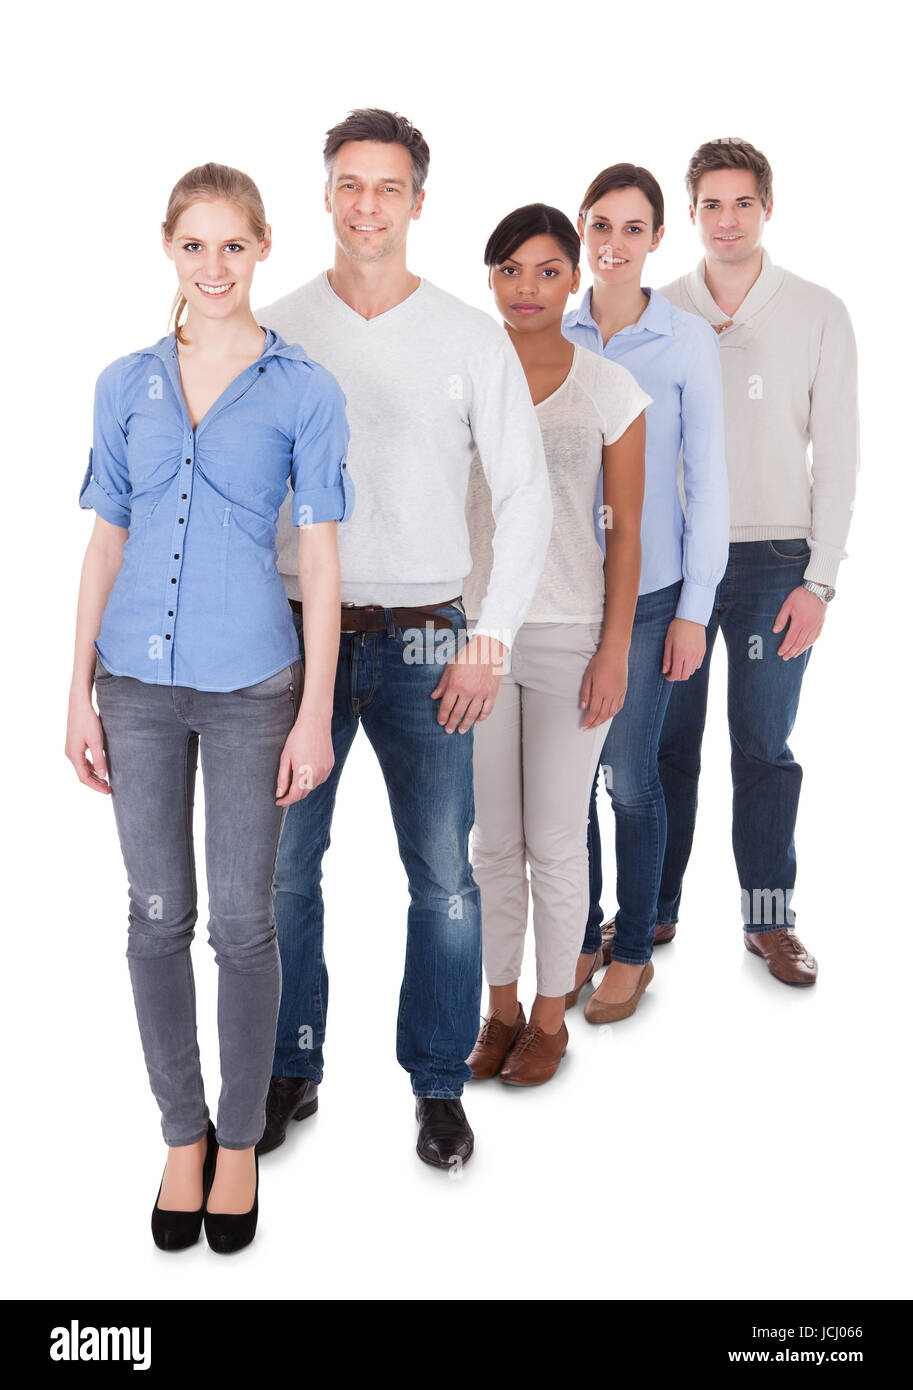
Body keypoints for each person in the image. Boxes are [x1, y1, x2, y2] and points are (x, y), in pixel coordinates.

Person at [255, 110, 552, 1167]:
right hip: (298, 636)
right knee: (285, 872)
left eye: (388, 187)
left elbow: (525, 494)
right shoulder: (277, 329)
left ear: (418, 202)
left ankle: (437, 1083)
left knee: (444, 876)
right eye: (350, 183)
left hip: (432, 639)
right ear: (325, 195)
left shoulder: (468, 337)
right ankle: (289, 1065)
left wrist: (492, 639)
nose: (367, 205)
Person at [65, 163, 352, 1252]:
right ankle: (179, 1135)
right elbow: (105, 542)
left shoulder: (303, 389)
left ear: (264, 246)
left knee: (241, 923)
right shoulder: (124, 382)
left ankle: (239, 1141)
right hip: (134, 687)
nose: (215, 265)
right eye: (196, 245)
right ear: (168, 248)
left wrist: (316, 712)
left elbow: (319, 560)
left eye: (234, 244)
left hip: (253, 692)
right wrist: (76, 694)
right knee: (154, 918)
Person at [655, 138, 859, 984]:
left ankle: (769, 920)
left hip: (777, 560)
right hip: (675, 561)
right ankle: (649, 912)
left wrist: (820, 580)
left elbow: (838, 454)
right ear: (690, 213)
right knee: (663, 746)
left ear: (766, 208)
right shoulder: (661, 310)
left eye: (742, 202)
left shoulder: (816, 310)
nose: (727, 219)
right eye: (711, 204)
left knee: (763, 747)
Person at [464, 204, 648, 1083]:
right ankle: (499, 1009)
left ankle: (548, 1018)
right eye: (509, 269)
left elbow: (626, 533)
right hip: (476, 640)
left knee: (554, 837)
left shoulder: (607, 387)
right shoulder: (465, 374)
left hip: (572, 635)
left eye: (546, 270)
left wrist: (614, 650)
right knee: (491, 843)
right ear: (490, 279)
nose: (526, 287)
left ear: (574, 278)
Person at [563, 164, 730, 1020]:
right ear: (581, 228)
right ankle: (580, 937)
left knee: (629, 779)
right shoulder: (554, 327)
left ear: (658, 238)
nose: (614, 244)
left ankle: (633, 949)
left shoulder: (684, 340)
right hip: (566, 595)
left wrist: (695, 609)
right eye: (601, 225)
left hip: (653, 594)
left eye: (633, 228)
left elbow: (707, 480)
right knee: (569, 783)